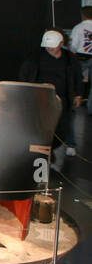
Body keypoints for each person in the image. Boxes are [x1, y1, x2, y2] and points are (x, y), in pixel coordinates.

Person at [19, 30, 84, 164]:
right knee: (40, 127)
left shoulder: (69, 59)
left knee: (61, 126)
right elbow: (25, 74)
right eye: (47, 45)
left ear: (61, 44)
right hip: (41, 98)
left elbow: (77, 77)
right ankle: (43, 154)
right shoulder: (35, 57)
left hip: (63, 99)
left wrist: (78, 94)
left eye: (53, 45)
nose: (49, 48)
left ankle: (54, 148)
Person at [69, 5, 92, 108]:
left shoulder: (78, 28)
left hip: (81, 57)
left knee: (77, 79)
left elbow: (73, 45)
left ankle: (75, 101)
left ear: (83, 15)